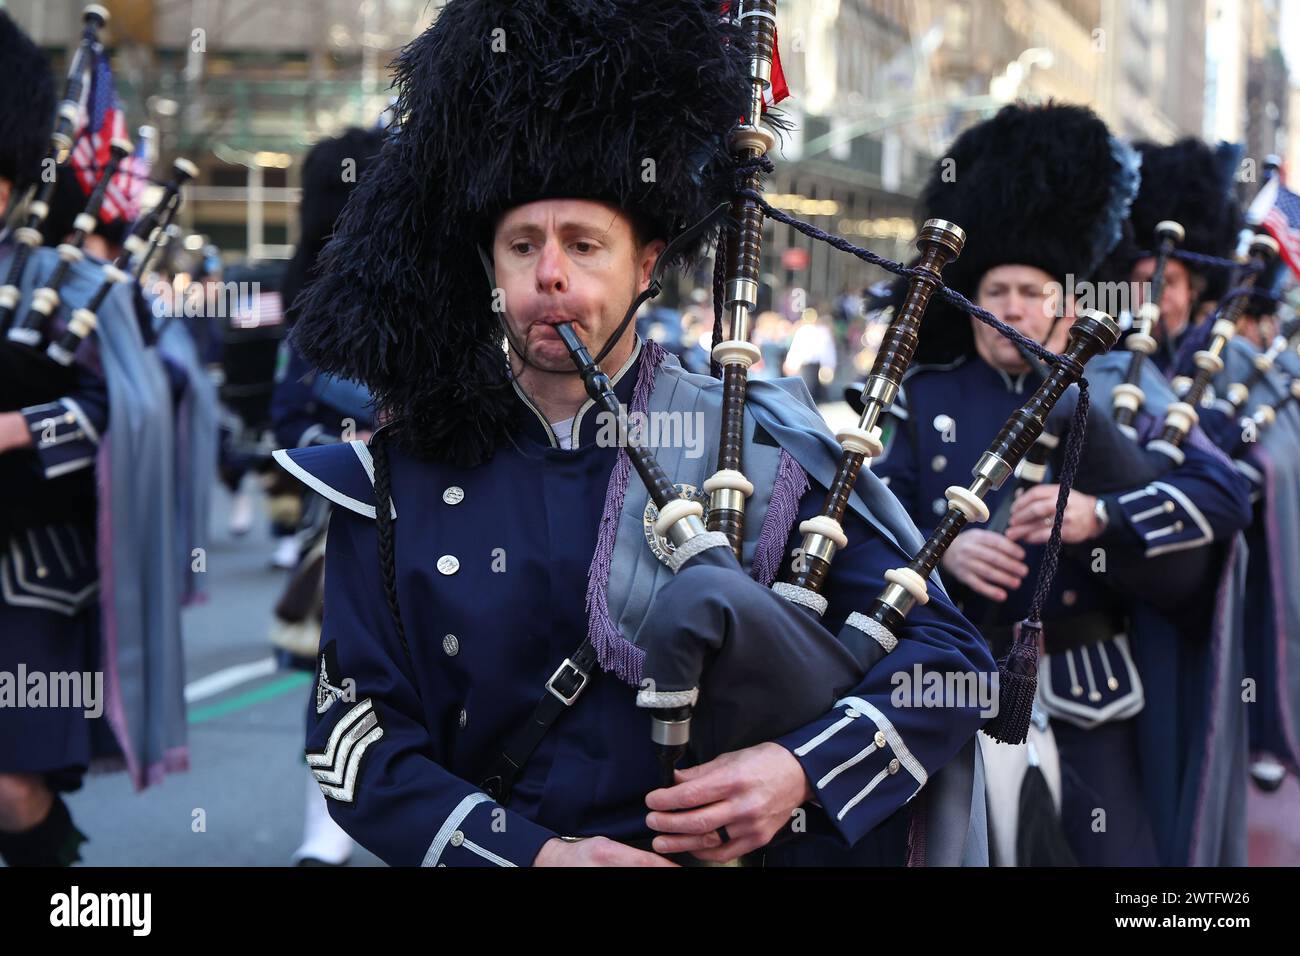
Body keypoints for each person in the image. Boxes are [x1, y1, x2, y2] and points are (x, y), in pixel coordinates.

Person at [275, 0, 995, 868]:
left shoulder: (760, 443)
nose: (550, 275)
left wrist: (796, 771)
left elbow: (949, 663)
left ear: (647, 265)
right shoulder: (395, 473)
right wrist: (535, 857)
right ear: (489, 269)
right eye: (522, 246)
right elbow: (356, 738)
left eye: (585, 245)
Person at [868, 103, 1253, 866]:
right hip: (955, 676)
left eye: (1031, 291)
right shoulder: (925, 394)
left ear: (1068, 305)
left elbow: (1224, 495)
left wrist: (1101, 518)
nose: (1012, 307)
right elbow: (872, 509)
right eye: (997, 289)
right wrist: (942, 553)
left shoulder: (1119, 391)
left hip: (1093, 686)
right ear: (973, 301)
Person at [0, 10, 186, 866]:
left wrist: (14, 427)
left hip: (30, 568)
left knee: (12, 787)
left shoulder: (72, 279)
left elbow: (132, 412)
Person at [1114, 140, 1300, 797]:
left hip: (1206, 595)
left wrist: (1233, 467)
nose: (1150, 299)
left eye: (1163, 284)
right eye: (1138, 282)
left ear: (1194, 289)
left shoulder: (1228, 364)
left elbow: (1271, 466)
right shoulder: (1112, 364)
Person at [270, 126, 384, 867]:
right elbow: (286, 417)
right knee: (335, 684)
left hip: (449, 509)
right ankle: (325, 836)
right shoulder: (312, 319)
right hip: (348, 515)